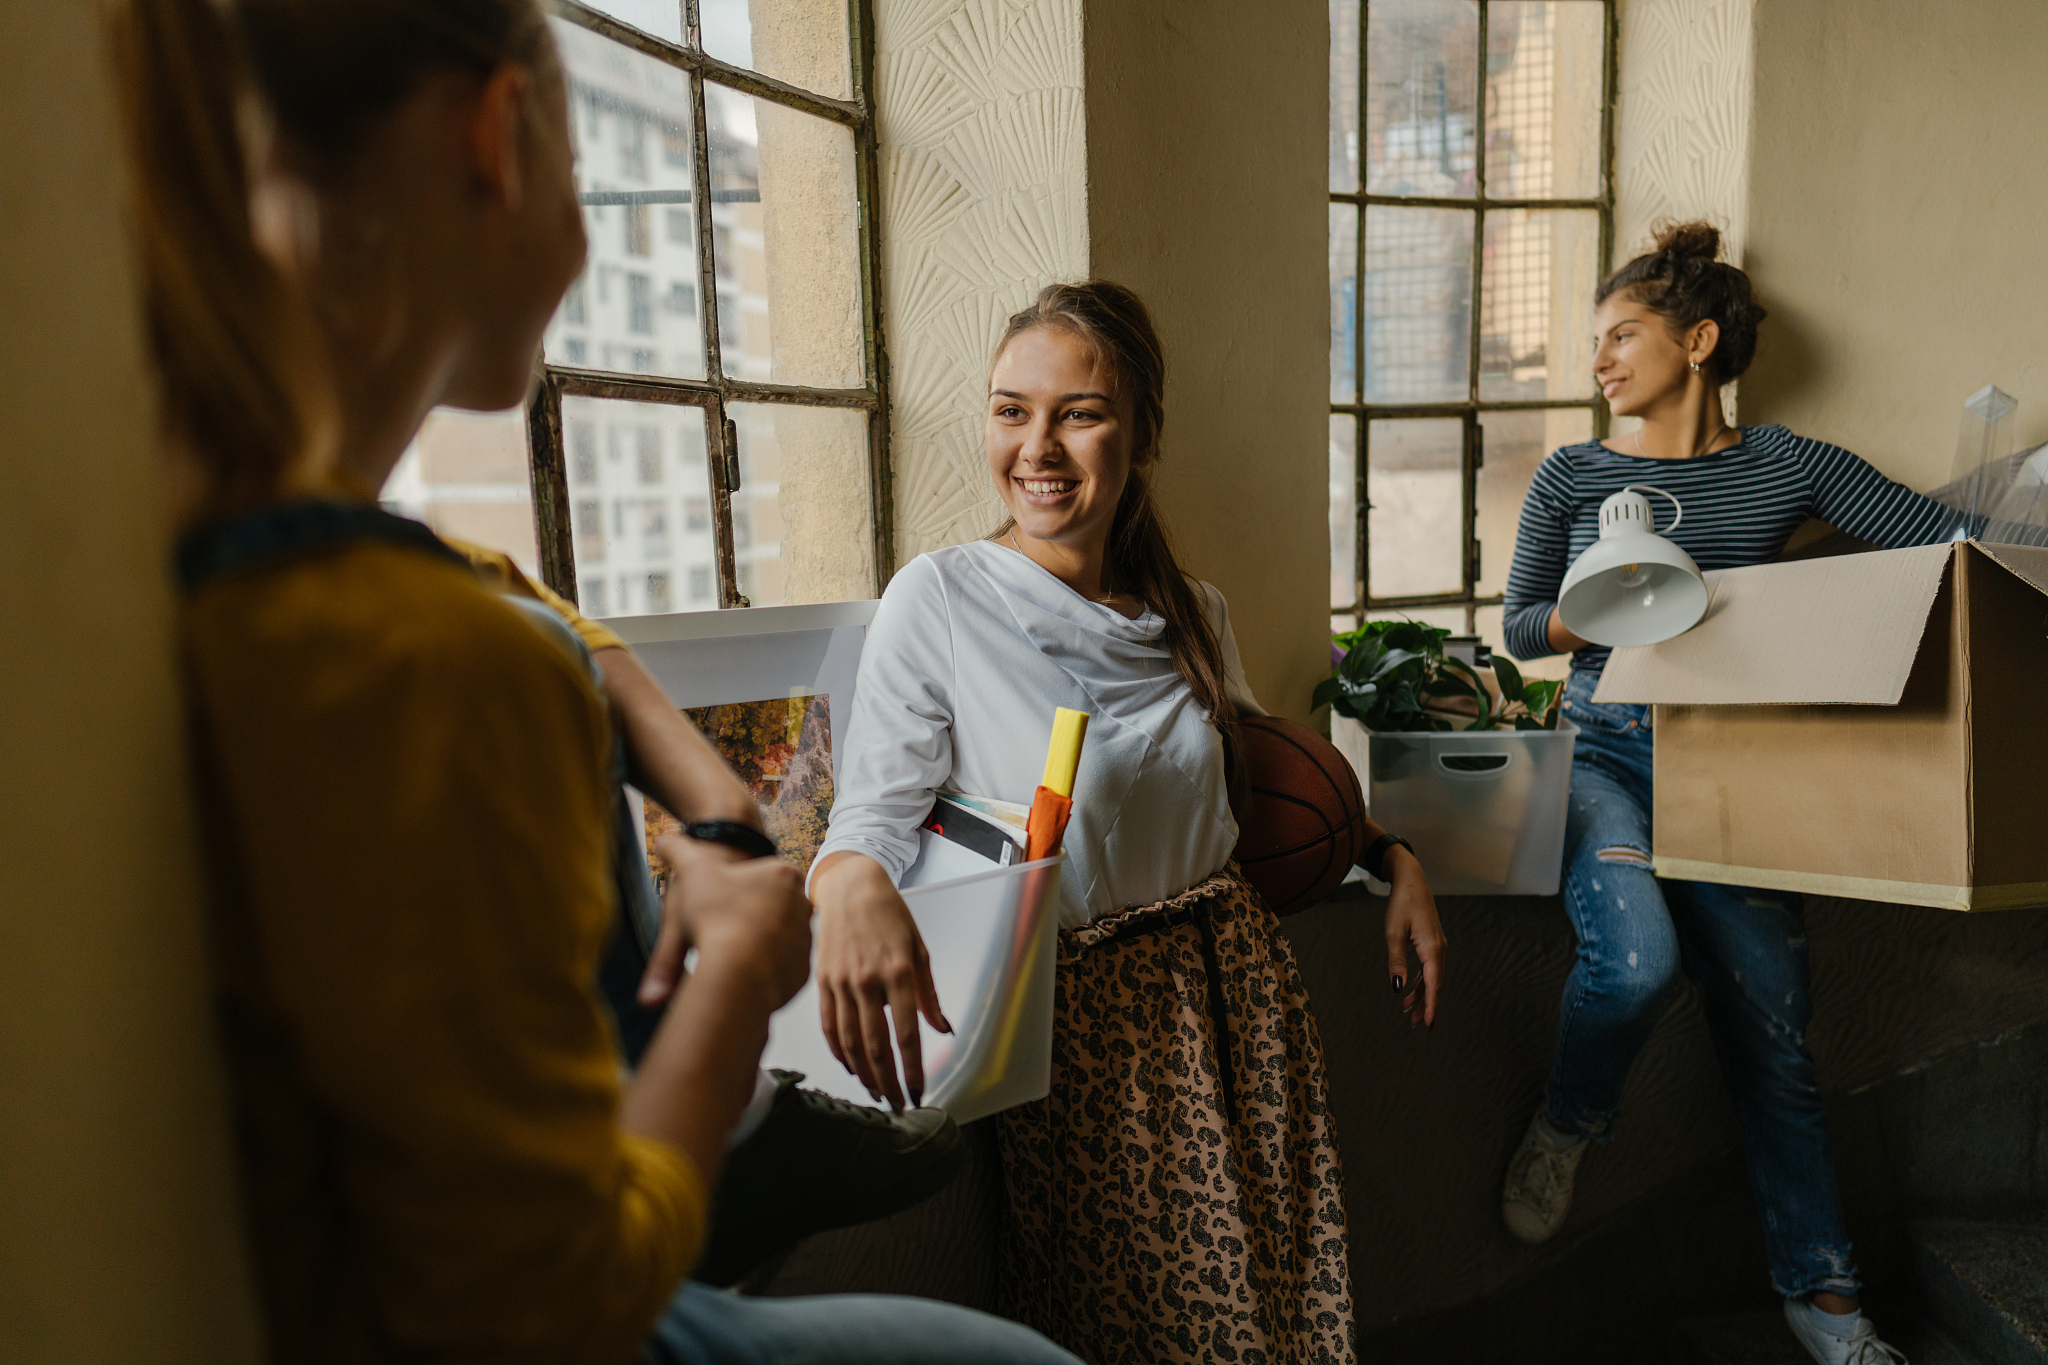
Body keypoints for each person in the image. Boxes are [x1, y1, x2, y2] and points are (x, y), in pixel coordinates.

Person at [112, 0, 1085, 1361]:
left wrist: (724, 823)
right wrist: (736, 970)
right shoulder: (434, 665)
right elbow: (556, 1313)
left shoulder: (210, 541)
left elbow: (541, 614)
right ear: (497, 136)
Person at [807, 280, 1447, 1364]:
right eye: (1011, 410)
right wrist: (847, 884)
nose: (1036, 446)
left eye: (1079, 412)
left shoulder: (1193, 612)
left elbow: (1261, 772)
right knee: (1153, 1331)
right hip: (1087, 1032)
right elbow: (871, 810)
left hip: (1239, 992)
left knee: (1281, 1308)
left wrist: (1391, 857)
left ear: (1142, 435)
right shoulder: (944, 597)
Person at [1499, 221, 1952, 1365]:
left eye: (1620, 337)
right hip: (1600, 750)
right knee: (1635, 963)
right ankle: (1569, 1119)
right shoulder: (1573, 473)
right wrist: (1592, 608)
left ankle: (1828, 1304)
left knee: (1775, 1040)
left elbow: (1946, 543)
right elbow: (1513, 633)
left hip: (1738, 769)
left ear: (1696, 342)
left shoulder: (1787, 465)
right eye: (1593, 342)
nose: (1597, 362)